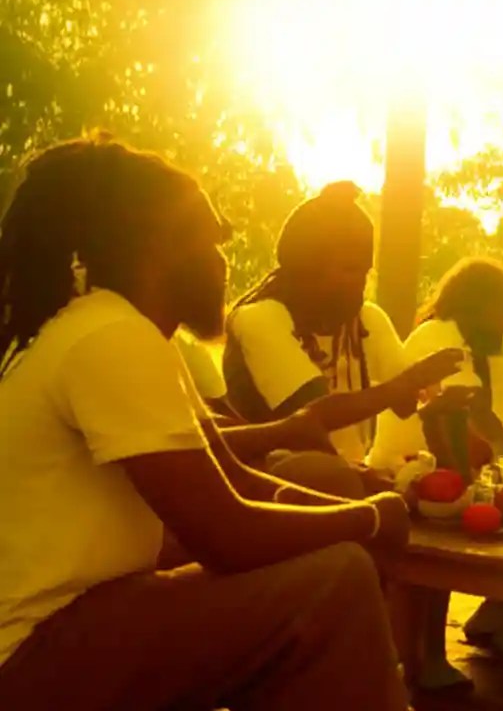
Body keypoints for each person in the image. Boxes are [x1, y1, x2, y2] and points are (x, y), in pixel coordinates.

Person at [0, 135, 458, 709]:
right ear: (160, 248)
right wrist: (368, 521)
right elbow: (225, 536)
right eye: (212, 239)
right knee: (334, 580)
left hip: (87, 618)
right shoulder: (108, 335)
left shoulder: (124, 332)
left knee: (330, 559)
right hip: (36, 654)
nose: (225, 259)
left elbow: (238, 480)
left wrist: (360, 507)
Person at [369, 257, 503, 686]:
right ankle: (427, 653)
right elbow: (472, 416)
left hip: (465, 465)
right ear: (472, 303)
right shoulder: (437, 337)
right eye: (500, 309)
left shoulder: (489, 348)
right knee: (462, 501)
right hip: (410, 472)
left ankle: (497, 616)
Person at [222, 181, 418, 483]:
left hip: (348, 480)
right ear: (307, 268)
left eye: (366, 271)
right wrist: (404, 385)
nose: (361, 283)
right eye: (350, 269)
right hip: (268, 487)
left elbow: (406, 405)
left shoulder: (366, 320)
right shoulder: (259, 318)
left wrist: (437, 399)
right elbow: (311, 413)